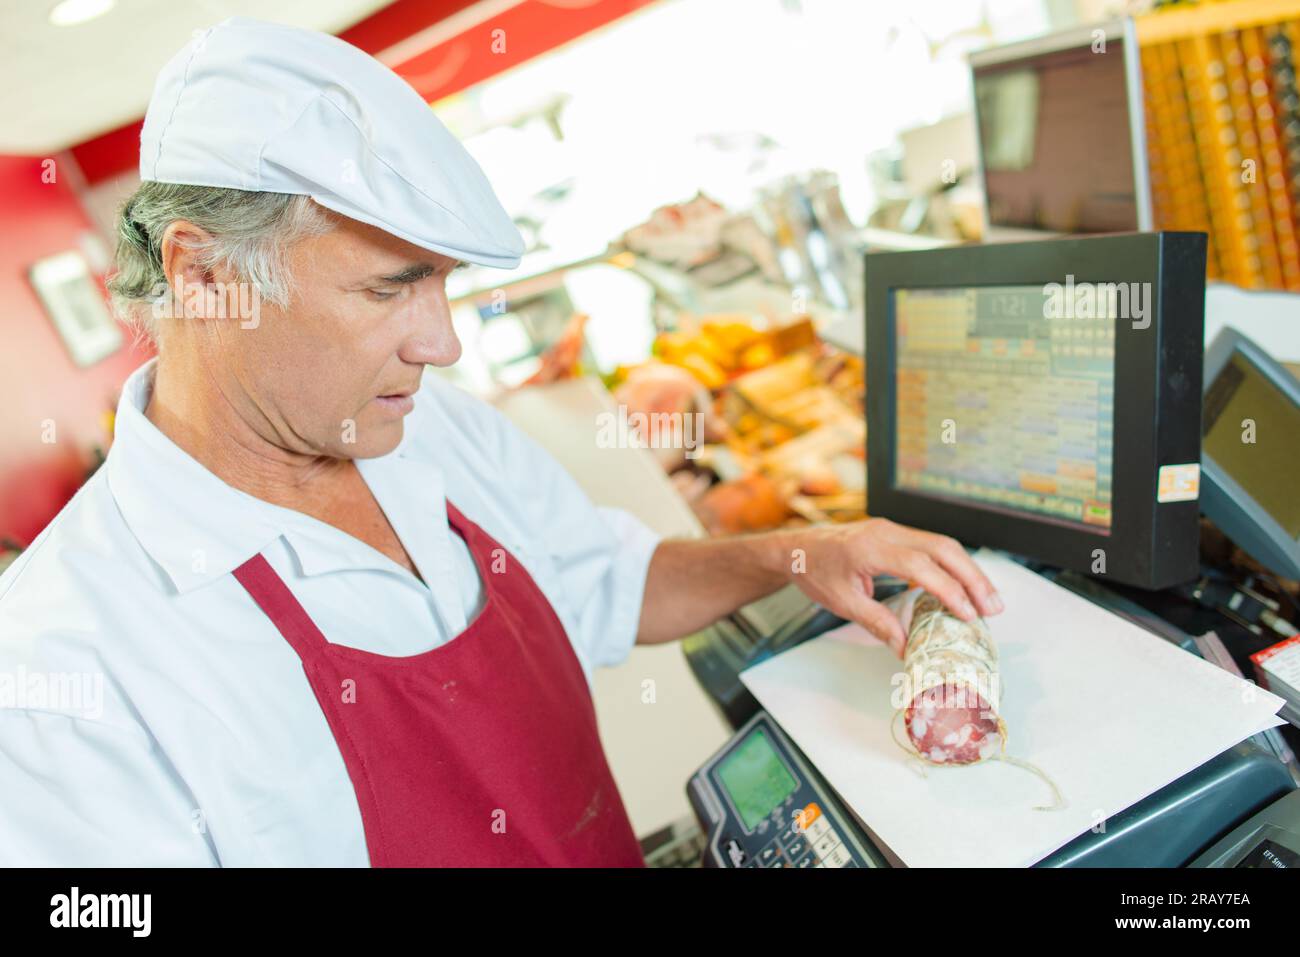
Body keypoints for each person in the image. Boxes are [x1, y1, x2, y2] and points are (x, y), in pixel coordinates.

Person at [0, 17, 1001, 866]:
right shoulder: (60, 674)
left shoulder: (427, 429)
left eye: (443, 284)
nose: (443, 343)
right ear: (206, 275)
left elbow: (612, 581)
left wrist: (798, 552)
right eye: (389, 289)